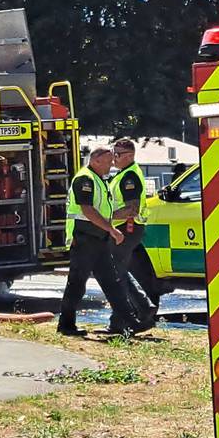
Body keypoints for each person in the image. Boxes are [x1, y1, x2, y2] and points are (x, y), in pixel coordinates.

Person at [59, 146, 141, 336]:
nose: (111, 165)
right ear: (95, 161)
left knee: (111, 281)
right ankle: (66, 325)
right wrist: (111, 229)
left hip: (98, 239)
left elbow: (103, 210)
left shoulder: (99, 180)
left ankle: (130, 323)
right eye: (108, 161)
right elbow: (87, 210)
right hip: (85, 238)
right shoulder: (85, 179)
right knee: (77, 283)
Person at [108, 139, 158, 334]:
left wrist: (106, 217)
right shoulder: (123, 174)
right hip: (125, 229)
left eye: (117, 155)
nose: (114, 158)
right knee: (116, 272)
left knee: (114, 273)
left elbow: (132, 208)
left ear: (129, 156)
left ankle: (136, 312)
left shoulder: (129, 177)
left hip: (126, 228)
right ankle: (138, 311)